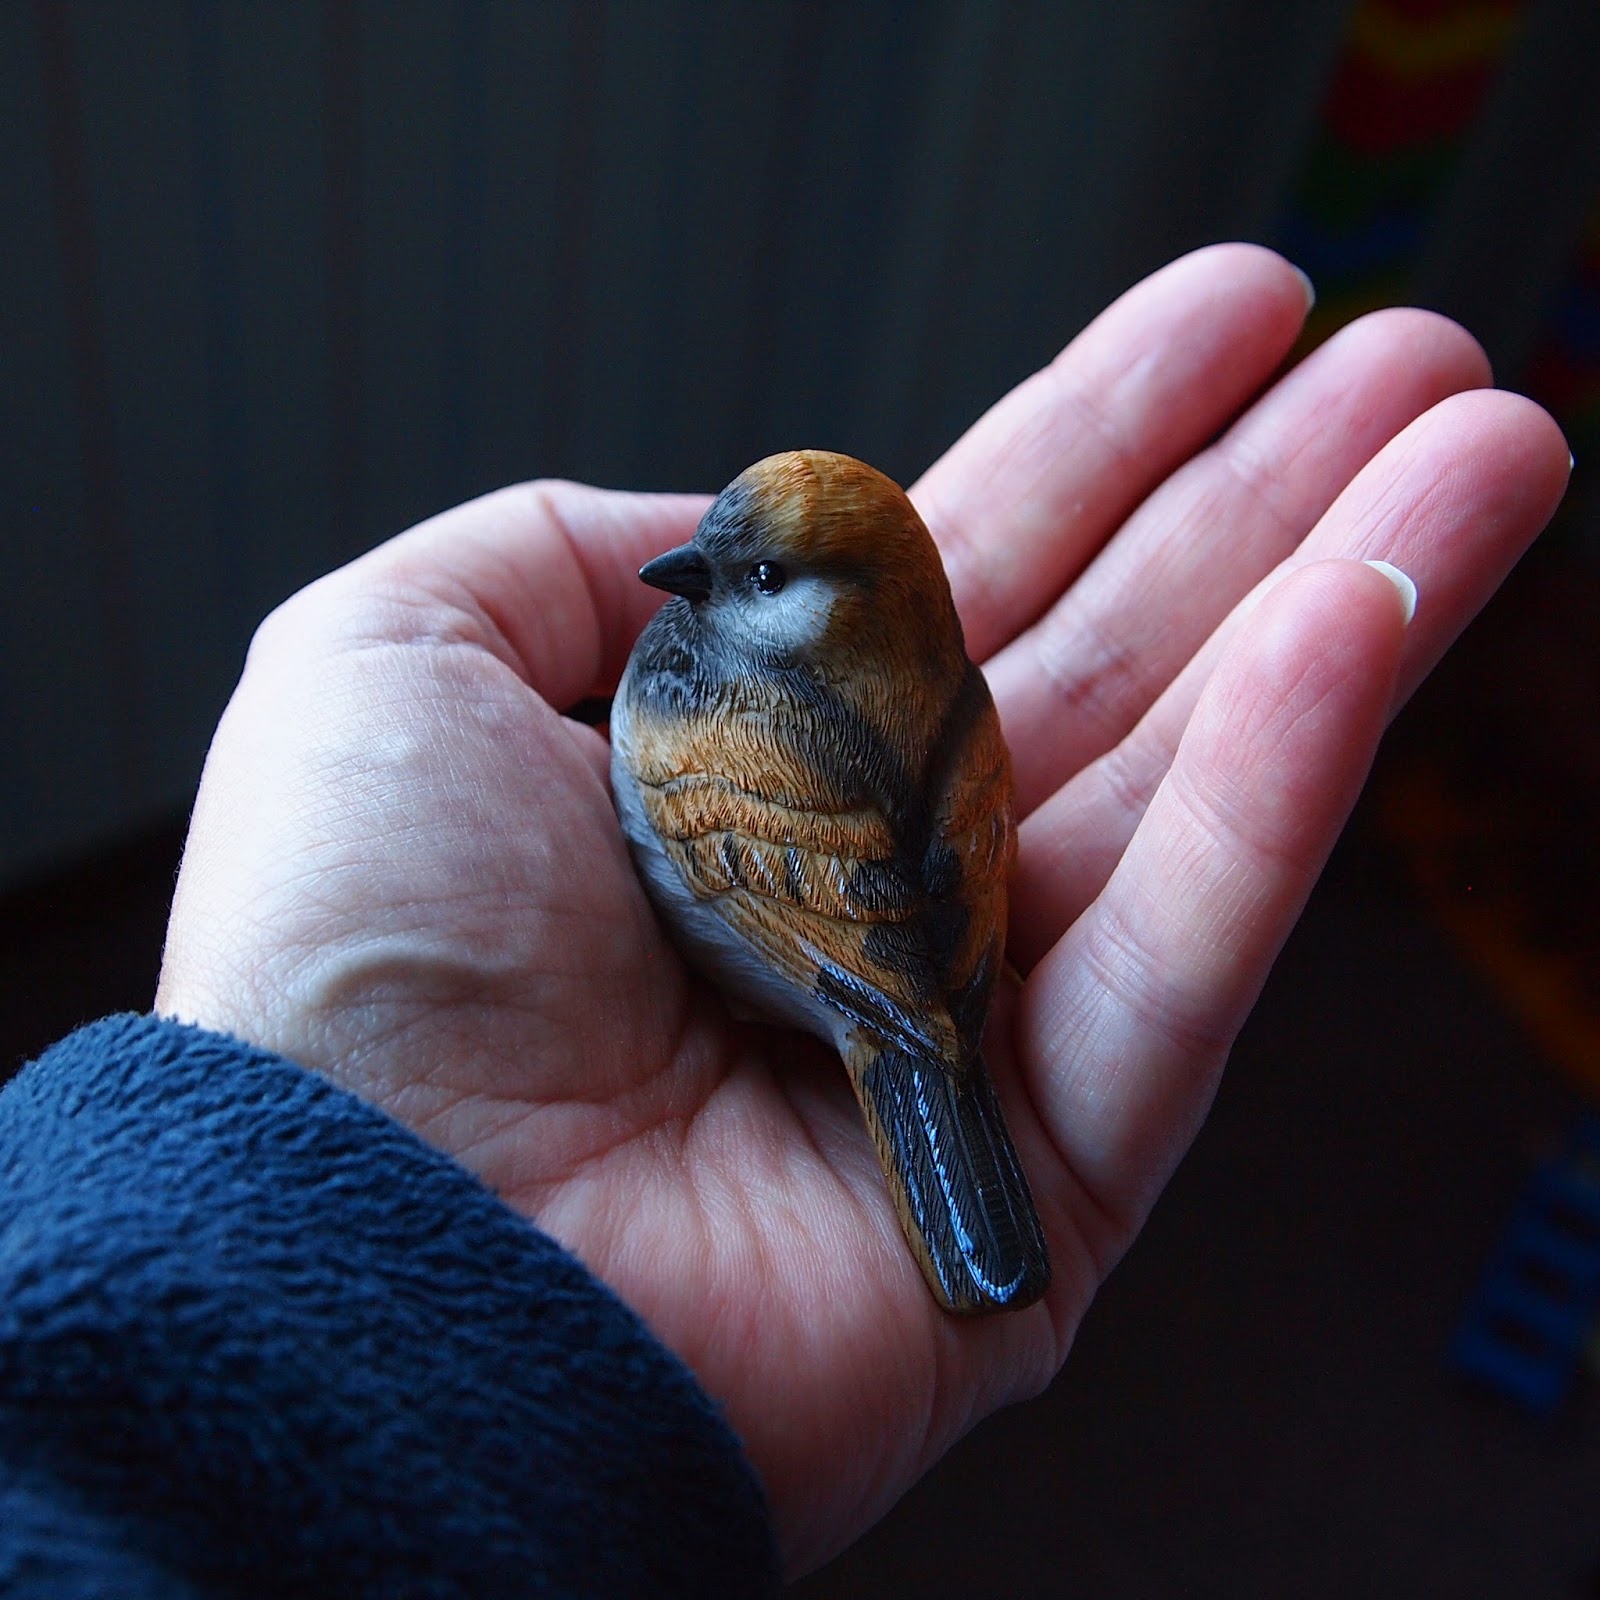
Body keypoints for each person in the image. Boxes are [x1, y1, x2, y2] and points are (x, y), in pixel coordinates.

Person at [0, 245, 1571, 1594]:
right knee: (928, 1047)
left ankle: (940, 1159)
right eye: (721, 556)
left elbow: (850, 896)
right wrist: (939, 1002)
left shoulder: (716, 713)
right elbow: (949, 858)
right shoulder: (901, 688)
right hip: (915, 976)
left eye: (744, 575)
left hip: (854, 983)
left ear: (838, 606)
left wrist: (907, 1013)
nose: (688, 579)